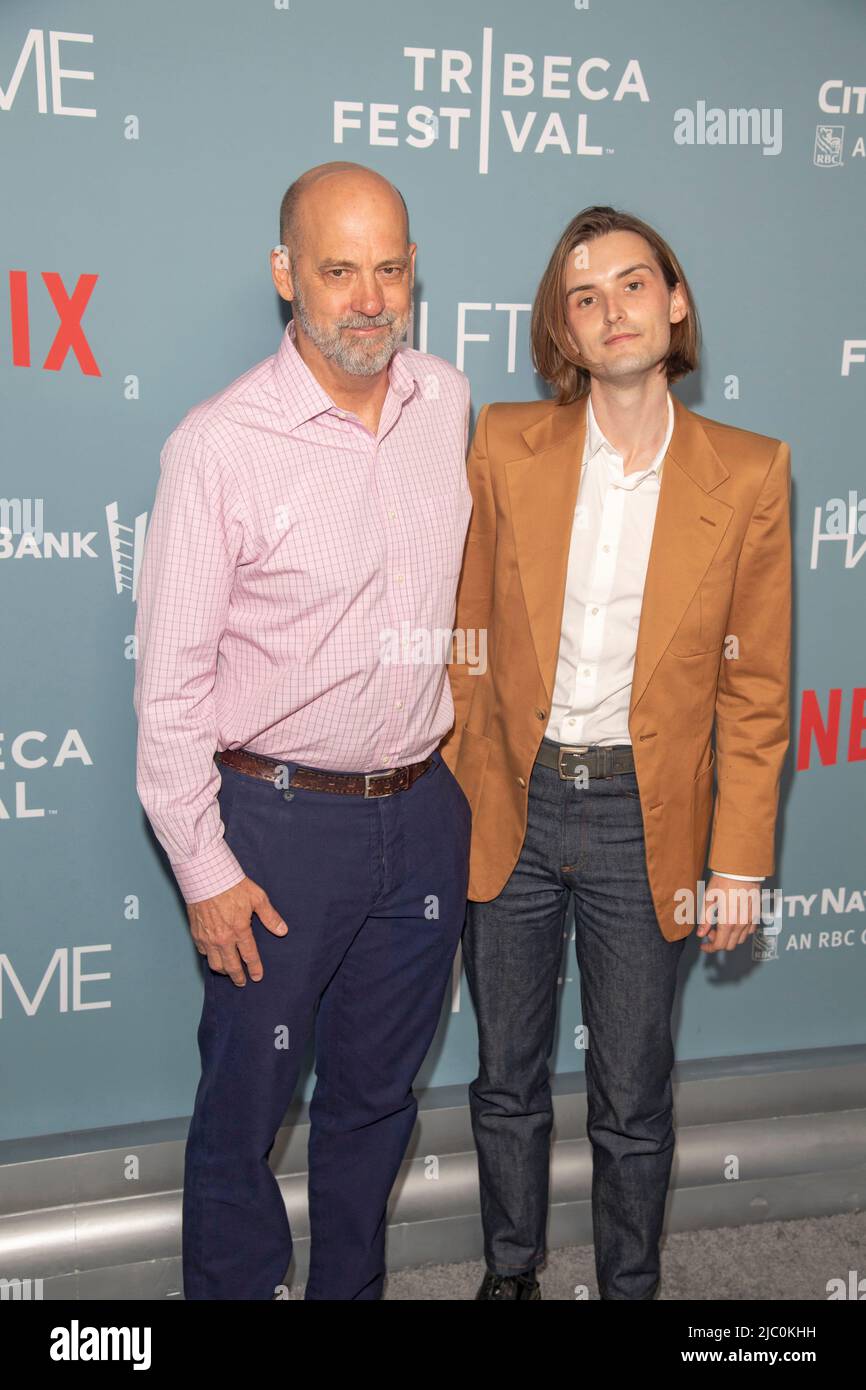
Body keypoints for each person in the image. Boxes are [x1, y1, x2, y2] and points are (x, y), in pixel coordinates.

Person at [133, 160, 473, 1300]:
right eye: (338, 270)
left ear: (412, 272)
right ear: (286, 275)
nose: (368, 298)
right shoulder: (217, 445)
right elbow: (171, 688)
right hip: (272, 830)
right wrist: (203, 867)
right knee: (243, 1112)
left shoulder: (448, 403)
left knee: (375, 1104)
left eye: (388, 268)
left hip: (421, 815)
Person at [440, 205, 792, 1301]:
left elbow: (754, 687)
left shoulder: (748, 472)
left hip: (650, 815)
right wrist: (452, 788)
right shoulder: (502, 443)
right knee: (503, 1078)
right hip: (516, 799)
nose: (611, 311)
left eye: (631, 285)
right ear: (565, 331)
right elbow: (463, 638)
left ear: (673, 301)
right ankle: (510, 1275)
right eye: (582, 298)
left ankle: (629, 1287)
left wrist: (736, 858)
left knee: (631, 1094)